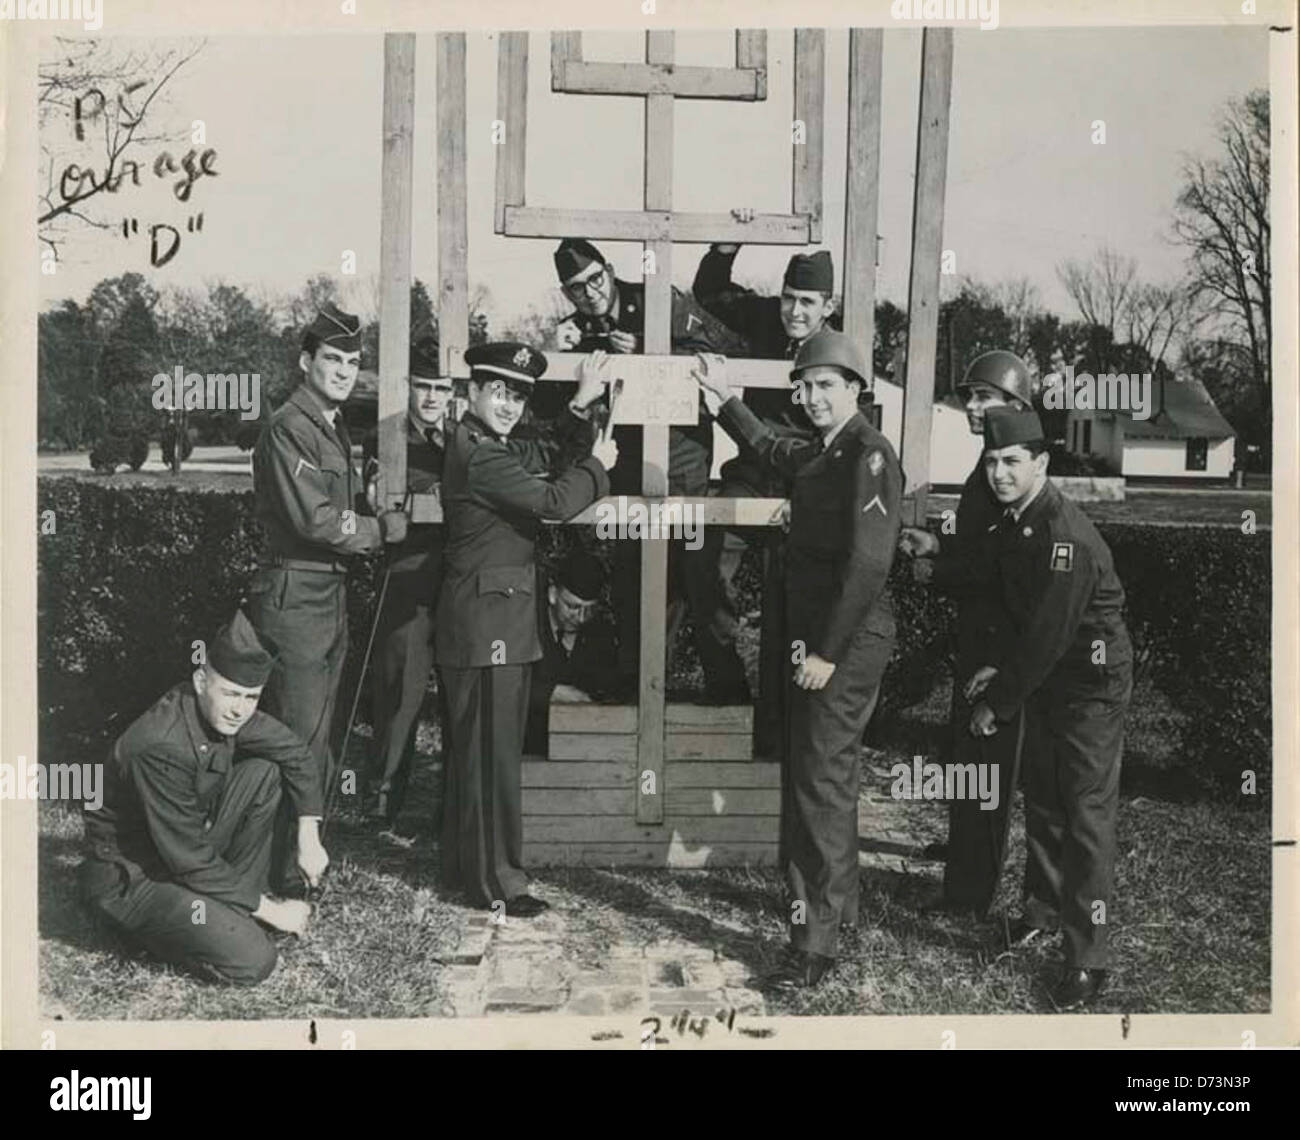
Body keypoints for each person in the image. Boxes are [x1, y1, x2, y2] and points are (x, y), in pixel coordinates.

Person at [694, 329, 902, 988]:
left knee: (819, 788)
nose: (812, 397)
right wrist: (726, 402)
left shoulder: (868, 455)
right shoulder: (827, 450)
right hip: (821, 641)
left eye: (824, 386)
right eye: (804, 387)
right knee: (819, 784)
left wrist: (827, 654)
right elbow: (777, 450)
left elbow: (870, 562)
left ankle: (814, 946)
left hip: (843, 644)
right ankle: (831, 916)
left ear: (856, 389)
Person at [433, 342, 616, 916]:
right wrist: (598, 466)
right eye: (500, 393)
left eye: (518, 396)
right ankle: (500, 885)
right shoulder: (482, 456)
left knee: (476, 753)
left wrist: (580, 407)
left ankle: (464, 867)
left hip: (486, 619)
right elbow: (555, 502)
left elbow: (537, 448)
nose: (510, 405)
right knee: (494, 756)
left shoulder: (481, 443)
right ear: (473, 393)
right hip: (490, 624)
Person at [968, 407, 1132, 1009]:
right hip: (1049, 675)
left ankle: (1087, 959)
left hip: (1089, 684)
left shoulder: (1062, 532)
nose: (1000, 473)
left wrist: (998, 701)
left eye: (1012, 462)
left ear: (1041, 463)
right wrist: (1002, 670)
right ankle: (1040, 911)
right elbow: (1026, 618)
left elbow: (1049, 632)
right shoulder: (1019, 518)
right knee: (1042, 798)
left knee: (1085, 815)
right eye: (991, 462)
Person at [248, 303, 409, 890]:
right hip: (297, 590)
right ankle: (279, 867)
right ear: (305, 361)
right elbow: (315, 521)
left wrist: (368, 504)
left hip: (326, 591)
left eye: (351, 361)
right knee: (295, 730)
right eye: (332, 359)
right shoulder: (291, 424)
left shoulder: (330, 423)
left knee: (319, 730)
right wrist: (377, 531)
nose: (343, 370)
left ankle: (302, 854)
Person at [549, 237, 751, 703]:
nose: (591, 293)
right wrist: (554, 352)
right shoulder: (574, 327)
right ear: (566, 293)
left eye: (596, 279)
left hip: (682, 463)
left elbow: (721, 348)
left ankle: (730, 692)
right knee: (635, 583)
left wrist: (646, 348)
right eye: (577, 289)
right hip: (625, 471)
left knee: (700, 580)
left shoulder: (659, 301)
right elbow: (550, 409)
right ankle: (640, 692)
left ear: (609, 269)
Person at [79, 610, 328, 986]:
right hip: (135, 876)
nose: (239, 708)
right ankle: (154, 928)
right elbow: (191, 860)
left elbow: (296, 754)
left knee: (265, 773)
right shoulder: (161, 745)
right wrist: (276, 913)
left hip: (180, 852)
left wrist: (309, 835)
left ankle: (230, 908)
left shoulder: (228, 712)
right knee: (254, 960)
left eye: (251, 697)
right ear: (200, 681)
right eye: (230, 693)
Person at [897, 350, 1034, 915]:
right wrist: (939, 546)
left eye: (986, 397)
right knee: (968, 757)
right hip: (978, 636)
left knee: (986, 764)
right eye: (970, 397)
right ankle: (965, 855)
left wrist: (938, 569)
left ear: (1018, 406)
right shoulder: (988, 467)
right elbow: (978, 552)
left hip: (1003, 647)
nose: (973, 407)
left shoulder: (1010, 468)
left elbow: (994, 570)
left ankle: (968, 895)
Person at [691, 239, 839, 757]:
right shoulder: (766, 319)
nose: (794, 312)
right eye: (787, 298)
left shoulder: (837, 353)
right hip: (751, 476)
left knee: (788, 605)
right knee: (703, 558)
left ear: (829, 307)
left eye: (807, 302)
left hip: (802, 487)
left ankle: (775, 731)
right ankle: (726, 694)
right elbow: (709, 292)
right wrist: (726, 246)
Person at [360, 335, 452, 832]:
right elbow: (376, 498)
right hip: (407, 577)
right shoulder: (388, 438)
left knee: (461, 693)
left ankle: (452, 803)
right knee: (400, 690)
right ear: (408, 388)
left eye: (442, 388)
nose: (433, 398)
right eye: (424, 387)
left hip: (456, 577)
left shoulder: (462, 435)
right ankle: (383, 794)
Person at [523, 547, 620, 758]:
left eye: (590, 609)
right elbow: (505, 686)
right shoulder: (525, 626)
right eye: (573, 607)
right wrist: (552, 693)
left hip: (581, 750)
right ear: (552, 594)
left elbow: (610, 686)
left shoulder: (600, 632)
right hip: (526, 749)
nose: (581, 617)